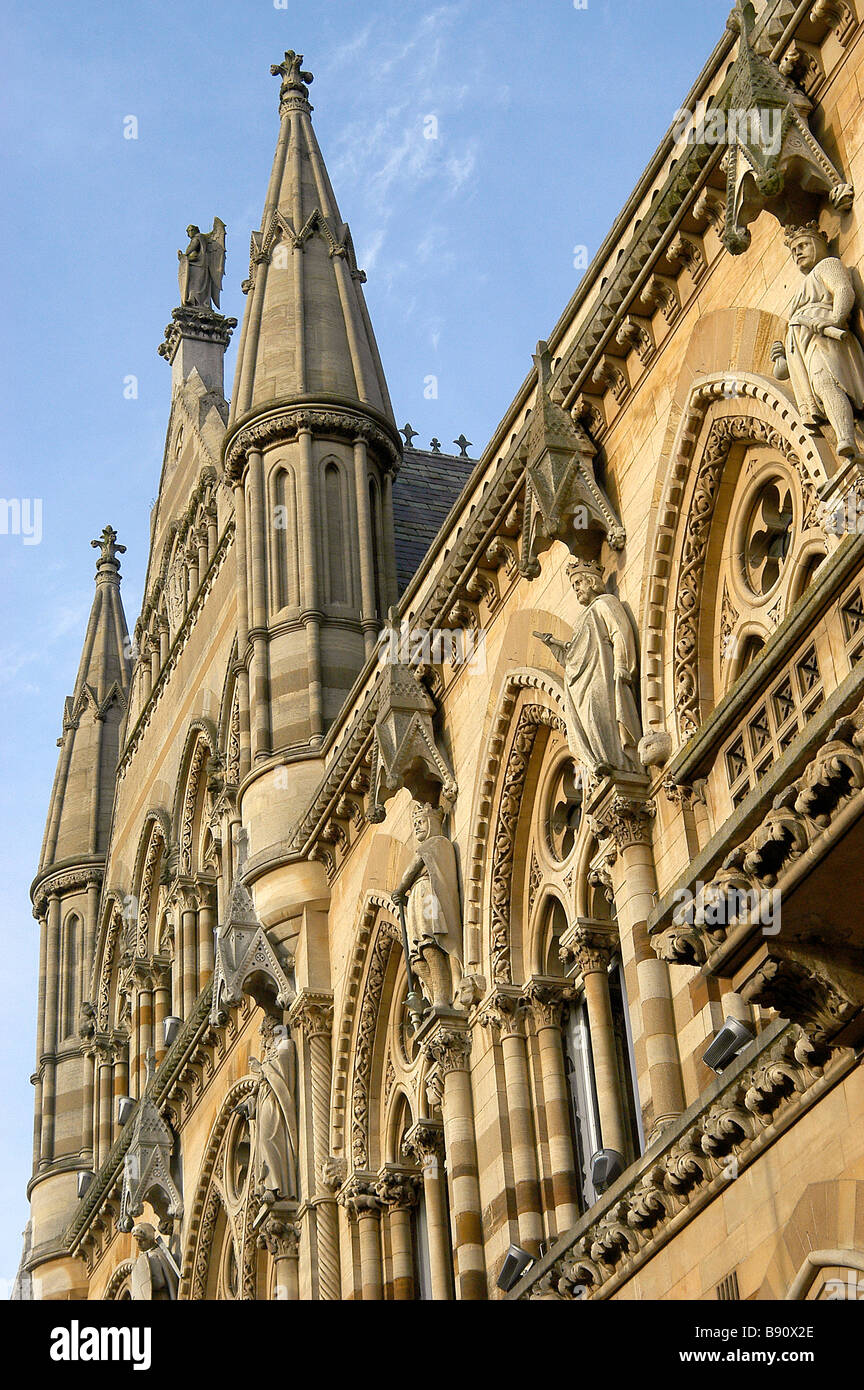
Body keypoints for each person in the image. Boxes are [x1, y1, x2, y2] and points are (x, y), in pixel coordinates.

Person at [536, 559, 641, 775]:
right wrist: (553, 646)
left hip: (602, 672)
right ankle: (603, 761)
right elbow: (573, 657)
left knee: (601, 712)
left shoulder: (604, 603)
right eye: (573, 586)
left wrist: (621, 664)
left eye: (578, 583)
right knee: (588, 722)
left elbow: (619, 632)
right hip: (580, 684)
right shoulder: (581, 619)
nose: (575, 589)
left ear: (592, 582)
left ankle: (620, 761)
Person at [771, 223, 864, 459]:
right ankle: (846, 440)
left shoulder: (827, 265)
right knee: (821, 393)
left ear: (817, 245)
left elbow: (844, 290)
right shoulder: (800, 291)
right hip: (806, 347)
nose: (798, 253)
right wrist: (781, 359)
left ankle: (845, 438)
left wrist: (835, 317)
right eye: (794, 250)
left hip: (823, 338)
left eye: (803, 245)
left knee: (826, 383)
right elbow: (784, 372)